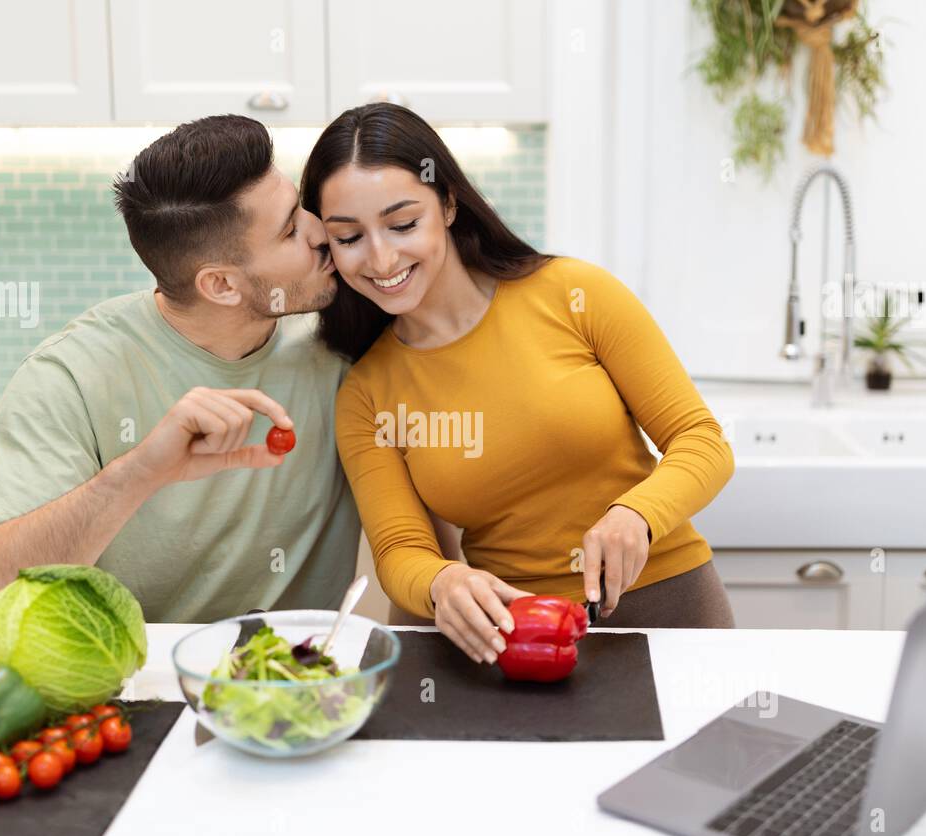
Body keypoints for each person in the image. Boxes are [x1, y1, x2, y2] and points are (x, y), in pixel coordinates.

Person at [300, 104, 737, 666]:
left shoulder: (574, 294)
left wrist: (638, 514)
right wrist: (442, 582)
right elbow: (401, 549)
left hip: (669, 607)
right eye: (349, 237)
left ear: (449, 204)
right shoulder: (367, 393)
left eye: (403, 224)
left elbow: (702, 440)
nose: (382, 258)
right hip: (512, 633)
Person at [0, 115, 359, 652]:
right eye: (291, 230)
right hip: (131, 684)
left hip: (301, 682)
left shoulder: (341, 330)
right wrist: (139, 473)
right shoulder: (71, 377)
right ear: (221, 284)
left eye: (300, 208)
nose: (322, 232)